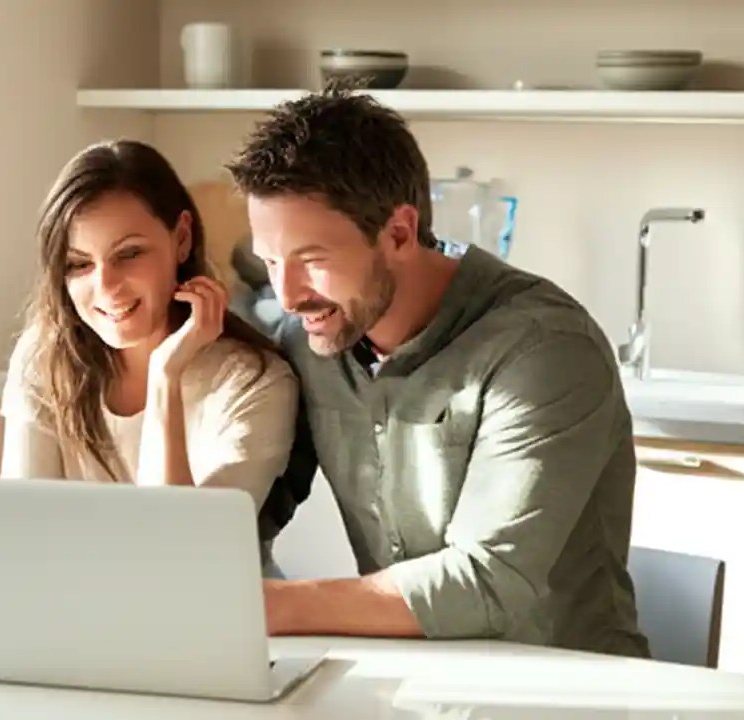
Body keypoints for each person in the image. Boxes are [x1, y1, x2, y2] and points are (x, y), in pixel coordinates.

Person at [226, 90, 651, 657]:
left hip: (569, 692)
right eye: (272, 262)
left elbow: (487, 580)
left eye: (313, 259)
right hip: (412, 688)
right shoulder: (310, 341)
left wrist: (272, 605)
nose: (289, 294)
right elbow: (242, 513)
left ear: (399, 232)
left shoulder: (543, 349)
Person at [0, 139, 301, 573]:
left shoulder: (255, 381)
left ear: (181, 239)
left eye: (129, 254)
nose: (107, 287)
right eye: (79, 264)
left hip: (209, 624)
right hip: (76, 617)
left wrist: (166, 375)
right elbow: (22, 538)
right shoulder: (44, 357)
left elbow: (176, 559)